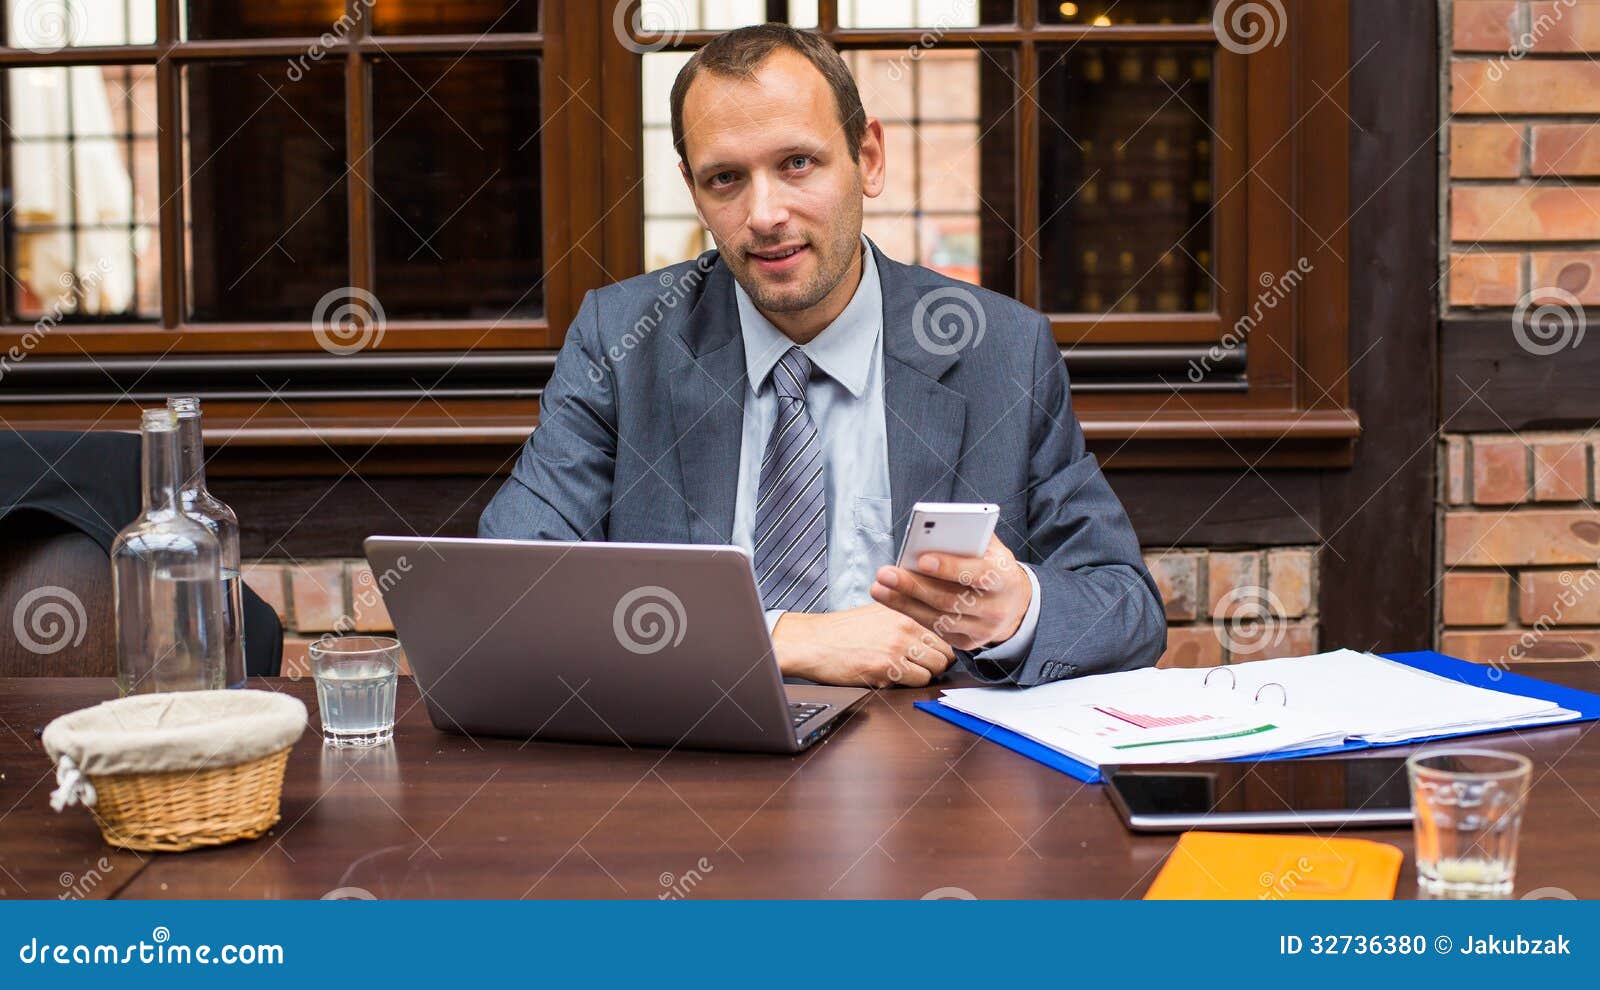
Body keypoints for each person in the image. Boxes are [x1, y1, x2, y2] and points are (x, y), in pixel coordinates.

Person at [480, 23, 1164, 689]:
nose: (765, 214)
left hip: (929, 784)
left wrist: (1017, 611)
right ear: (694, 189)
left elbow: (1125, 608)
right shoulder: (623, 341)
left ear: (868, 159)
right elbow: (507, 592)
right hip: (689, 772)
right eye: (726, 178)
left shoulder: (1000, 351)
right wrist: (782, 637)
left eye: (796, 164)